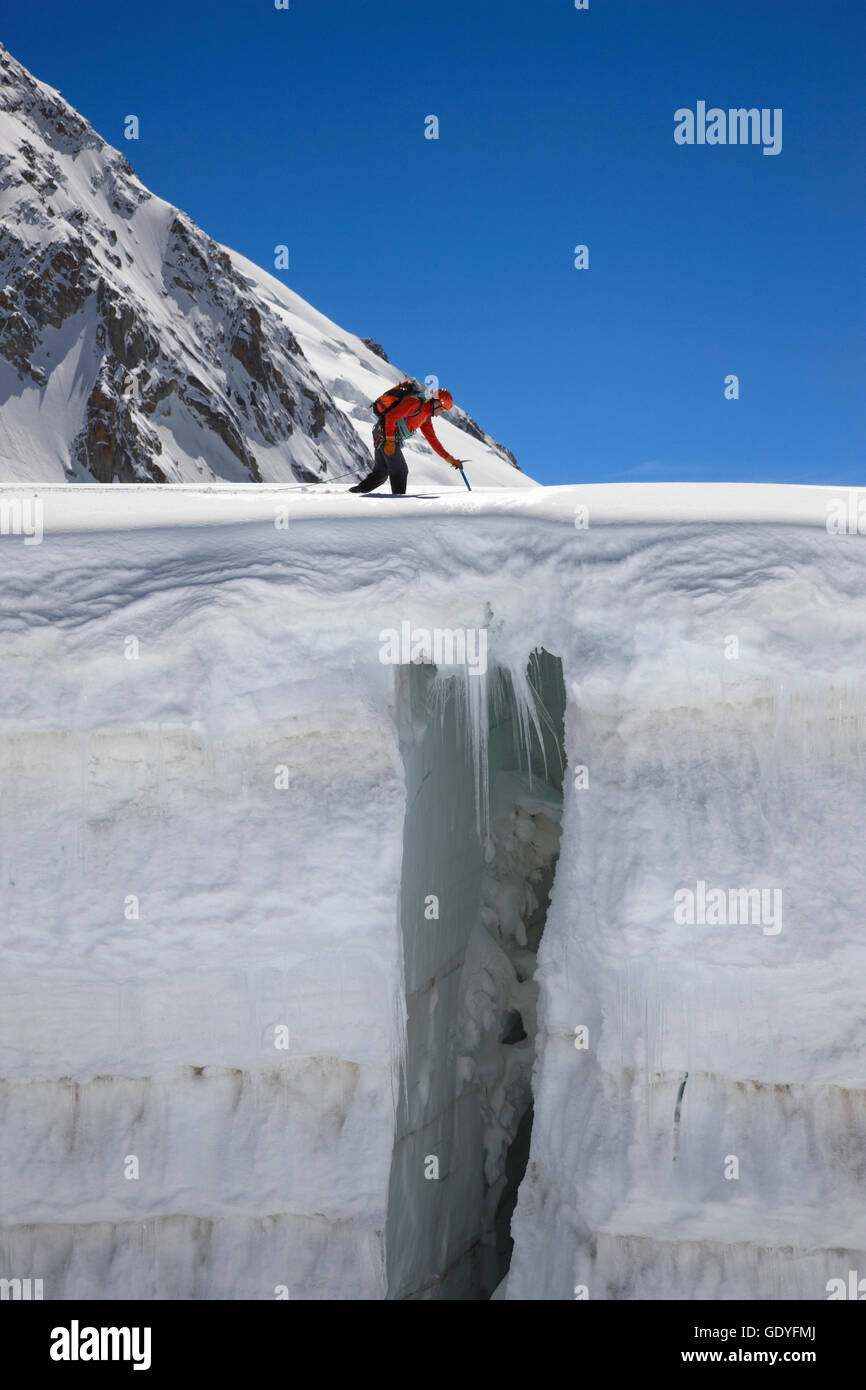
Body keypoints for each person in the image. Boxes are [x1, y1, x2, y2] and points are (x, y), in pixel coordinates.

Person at [349, 387, 463, 494]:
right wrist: (389, 440)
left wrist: (450, 459)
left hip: (385, 436)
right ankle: (398, 504)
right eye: (443, 409)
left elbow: (433, 441)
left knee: (381, 474)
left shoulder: (426, 417)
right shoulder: (415, 403)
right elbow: (391, 416)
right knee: (400, 470)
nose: (442, 413)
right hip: (385, 434)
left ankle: (355, 493)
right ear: (437, 403)